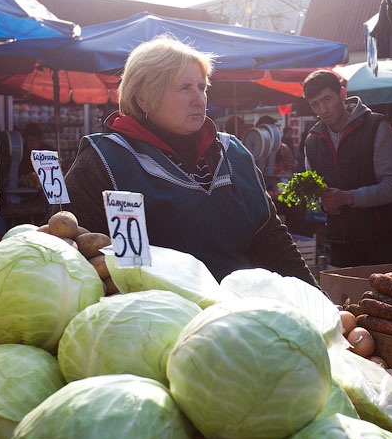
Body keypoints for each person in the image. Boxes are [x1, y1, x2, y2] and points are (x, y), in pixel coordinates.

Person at [58, 34, 315, 285]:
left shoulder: (234, 154)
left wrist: (318, 301)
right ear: (144, 98)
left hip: (241, 317)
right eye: (184, 88)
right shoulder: (104, 160)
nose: (198, 99)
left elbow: (270, 239)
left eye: (202, 87)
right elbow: (72, 252)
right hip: (156, 321)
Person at [302, 69, 392, 267]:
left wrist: (349, 197)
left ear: (342, 94)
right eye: (315, 104)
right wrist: (323, 202)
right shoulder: (312, 141)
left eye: (327, 99)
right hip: (341, 244)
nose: (322, 109)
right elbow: (313, 194)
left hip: (383, 241)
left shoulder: (377, 126)